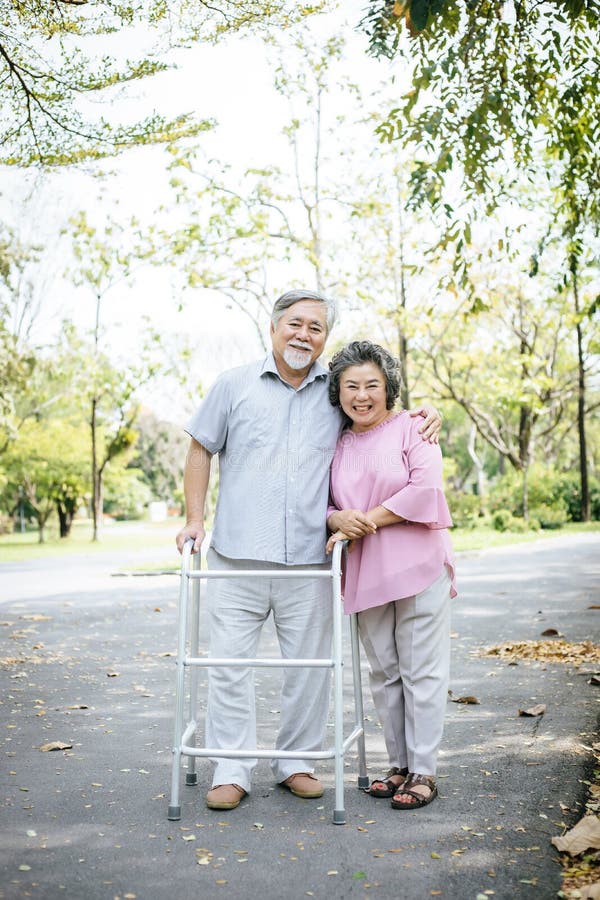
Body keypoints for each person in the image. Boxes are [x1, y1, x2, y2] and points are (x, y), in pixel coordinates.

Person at [176, 290, 441, 812]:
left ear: (325, 337)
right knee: (230, 664)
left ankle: (296, 762)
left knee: (310, 667)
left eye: (316, 327)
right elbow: (199, 448)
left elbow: (378, 418)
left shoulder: (335, 392)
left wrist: (424, 415)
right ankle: (231, 770)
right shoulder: (233, 385)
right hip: (236, 554)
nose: (304, 334)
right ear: (273, 328)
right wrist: (192, 519)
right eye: (294, 324)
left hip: (311, 558)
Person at [326, 340, 456, 810]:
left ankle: (424, 770)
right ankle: (398, 765)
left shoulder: (413, 427)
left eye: (372, 385)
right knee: (384, 671)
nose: (362, 395)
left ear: (389, 388)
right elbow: (321, 502)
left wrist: (368, 519)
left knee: (420, 668)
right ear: (338, 392)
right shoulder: (337, 441)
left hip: (417, 564)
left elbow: (426, 490)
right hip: (365, 568)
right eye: (351, 386)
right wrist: (336, 519)